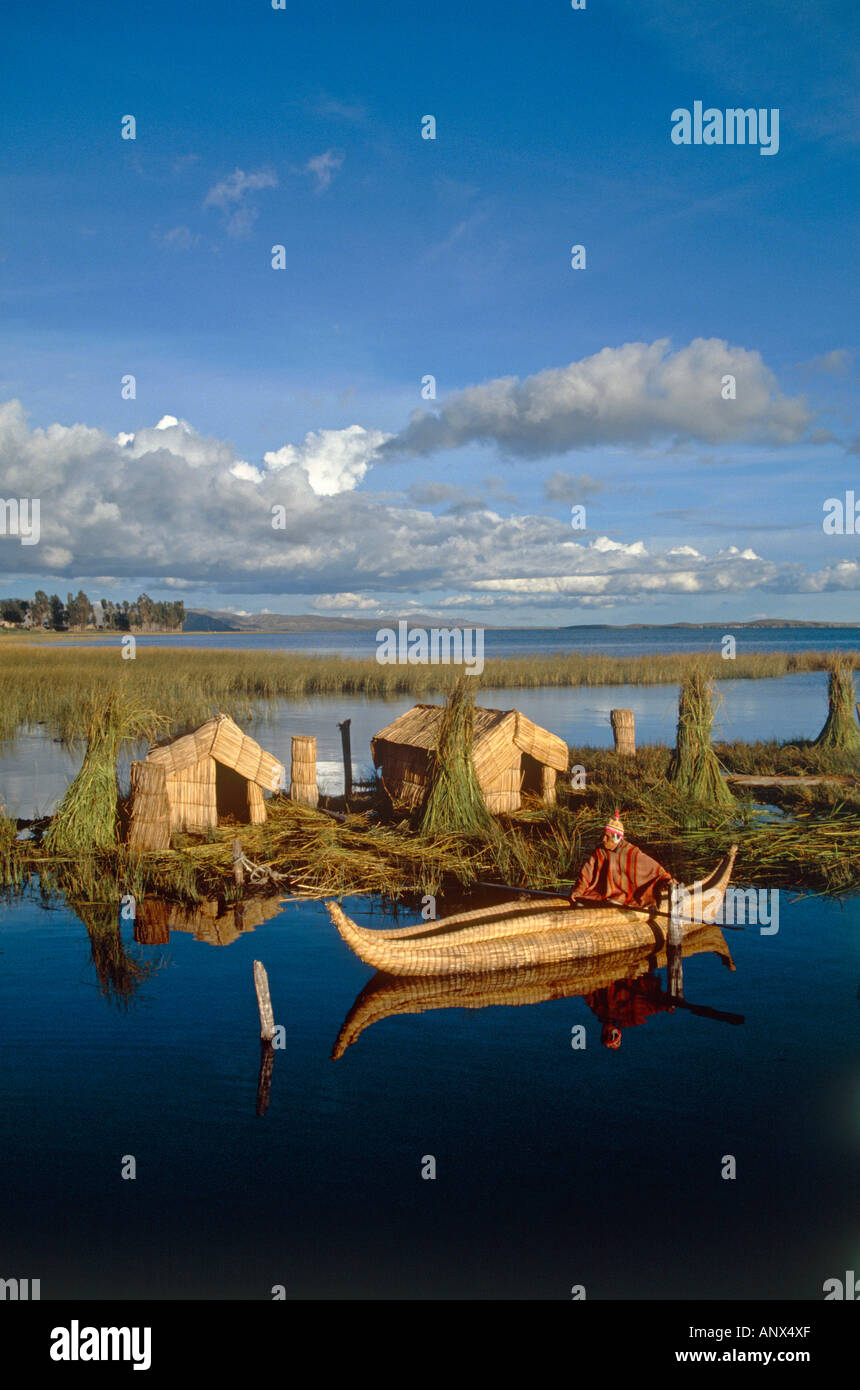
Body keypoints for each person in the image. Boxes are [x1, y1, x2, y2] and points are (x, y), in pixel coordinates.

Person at [569, 810, 679, 911]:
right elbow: (586, 875)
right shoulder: (600, 852)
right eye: (604, 836)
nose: (603, 839)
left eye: (607, 837)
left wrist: (667, 880)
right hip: (603, 895)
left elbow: (655, 870)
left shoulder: (631, 852)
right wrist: (578, 891)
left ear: (616, 838)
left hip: (628, 897)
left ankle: (620, 900)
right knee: (581, 901)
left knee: (633, 899)